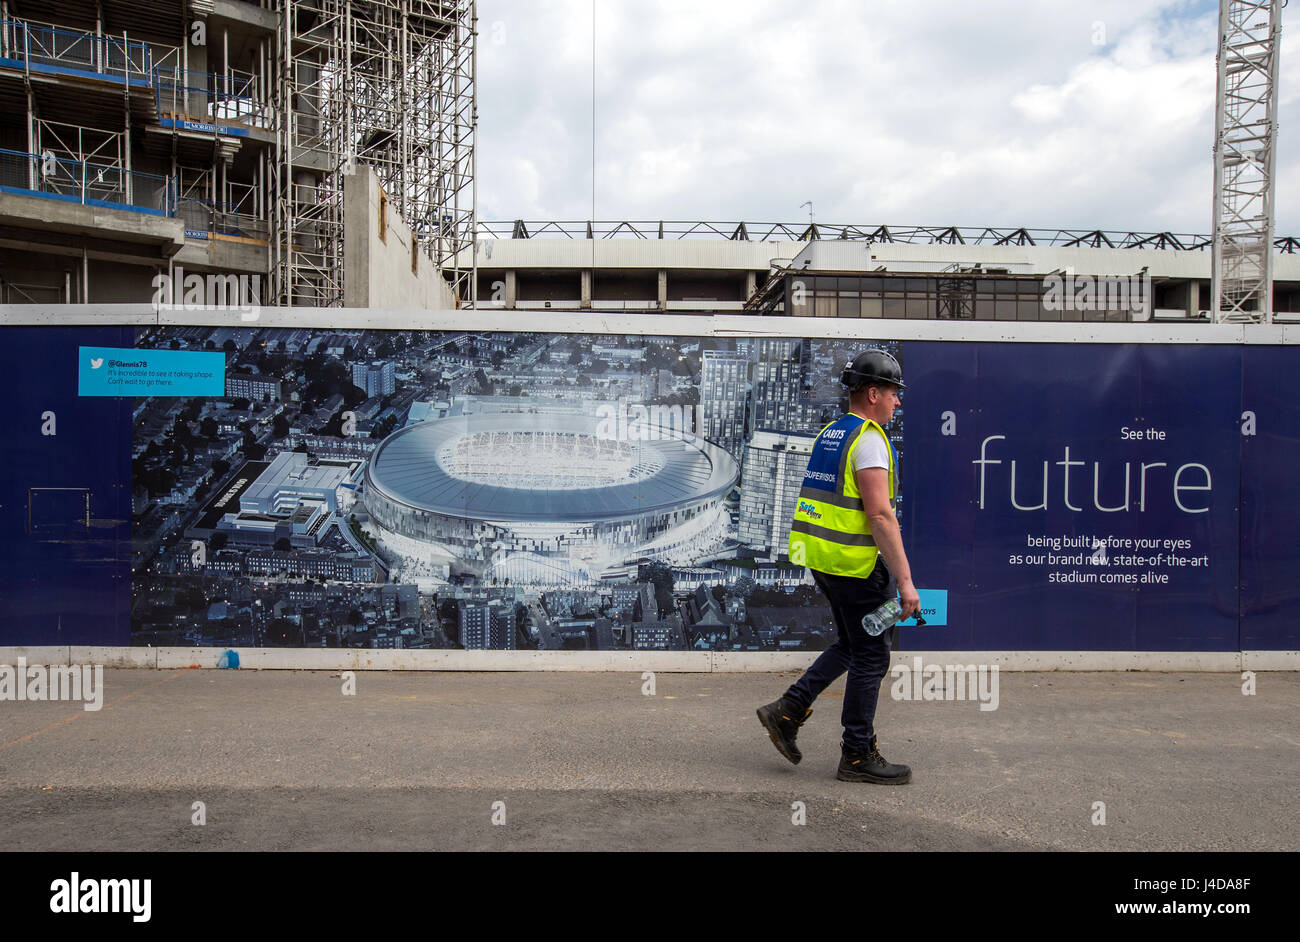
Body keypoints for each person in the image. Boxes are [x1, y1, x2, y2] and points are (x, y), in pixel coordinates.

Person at [756, 349, 920, 784]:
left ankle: (788, 711)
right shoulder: (869, 441)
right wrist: (905, 582)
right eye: (892, 394)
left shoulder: (833, 433)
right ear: (872, 393)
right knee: (871, 656)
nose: (896, 403)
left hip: (826, 560)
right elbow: (880, 516)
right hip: (856, 566)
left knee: (852, 643)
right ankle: (857, 754)